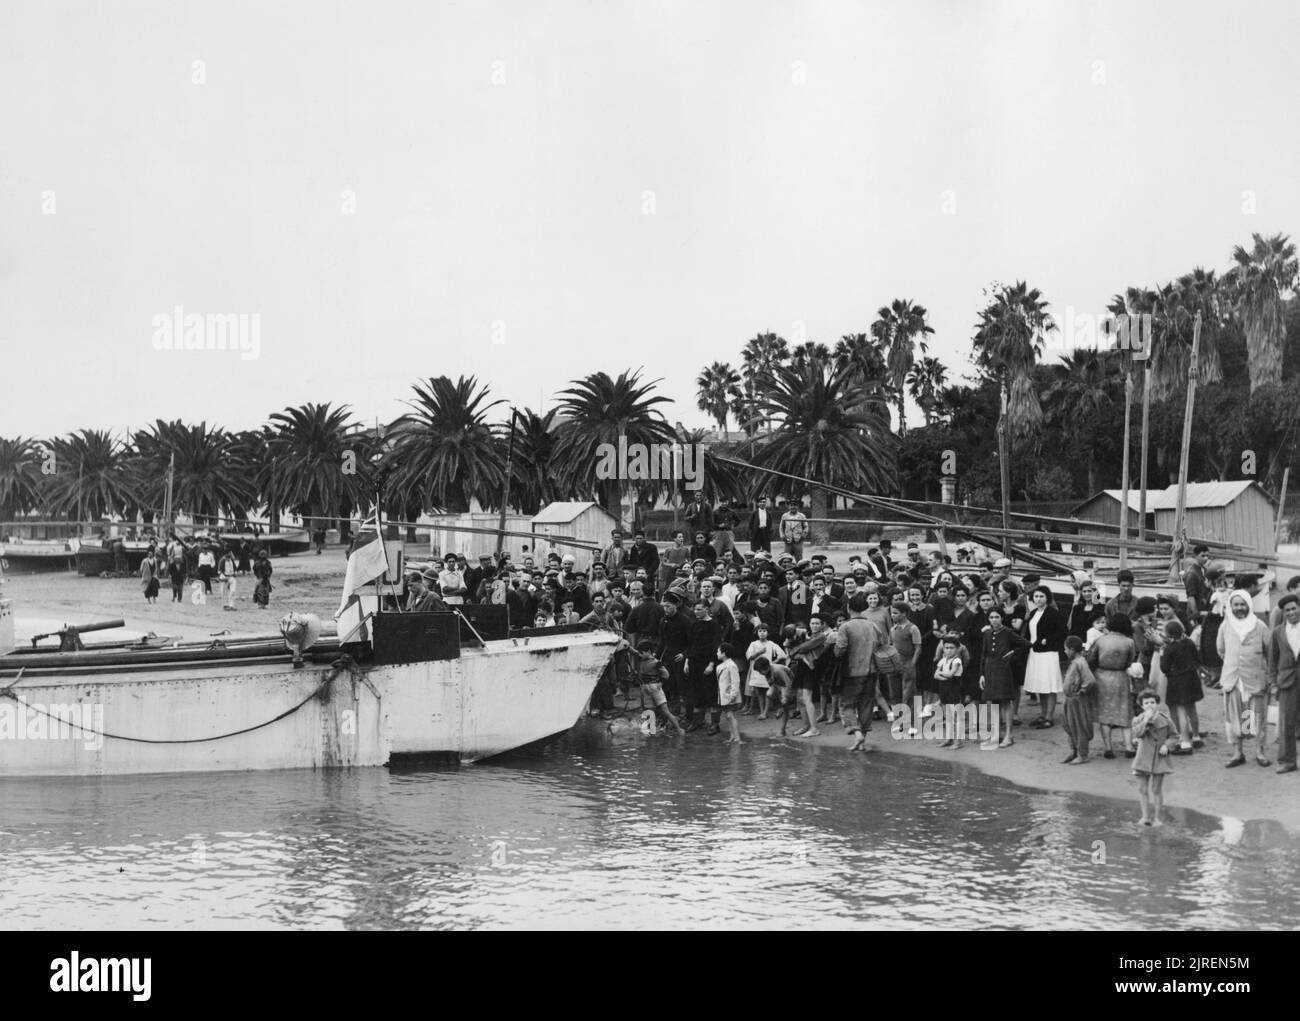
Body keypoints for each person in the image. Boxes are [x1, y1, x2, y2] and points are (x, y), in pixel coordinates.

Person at [1218, 589, 1272, 768]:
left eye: (1243, 604)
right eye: (1236, 605)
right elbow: (1221, 650)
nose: (1239, 608)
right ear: (1230, 606)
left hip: (1254, 680)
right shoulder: (1225, 626)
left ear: (1249, 605)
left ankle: (1259, 752)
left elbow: (1269, 651)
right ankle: (1237, 753)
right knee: (1234, 716)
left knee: (1256, 716)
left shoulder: (1260, 626)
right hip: (1233, 679)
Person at [834, 592, 882, 751]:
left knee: (846, 704)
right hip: (871, 670)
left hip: (851, 672)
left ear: (849, 608)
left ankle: (857, 734)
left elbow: (840, 650)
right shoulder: (873, 625)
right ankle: (863, 742)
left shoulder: (845, 626)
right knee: (866, 705)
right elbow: (881, 645)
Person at [1087, 613, 1138, 759]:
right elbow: (1130, 660)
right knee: (1124, 712)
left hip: (1101, 676)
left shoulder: (1101, 640)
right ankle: (1128, 747)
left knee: (1104, 714)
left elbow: (1091, 658)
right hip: (1120, 677)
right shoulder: (1129, 642)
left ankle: (1108, 748)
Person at [979, 608, 1027, 750]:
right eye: (992, 617)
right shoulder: (987, 633)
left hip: (1003, 669)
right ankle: (995, 735)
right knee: (992, 703)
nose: (994, 620)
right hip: (989, 669)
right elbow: (983, 654)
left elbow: (1025, 644)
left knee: (1005, 701)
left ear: (1002, 618)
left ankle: (1009, 735)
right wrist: (982, 674)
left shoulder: (1008, 632)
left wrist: (1012, 653)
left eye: (997, 617)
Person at [1131, 689, 1177, 826]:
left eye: (1152, 702)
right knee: (1142, 789)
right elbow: (1137, 734)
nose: (1150, 705)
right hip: (1143, 758)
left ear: (1157, 703)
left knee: (1156, 789)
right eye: (1146, 703)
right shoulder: (1138, 720)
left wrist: (1167, 746)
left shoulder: (1165, 719)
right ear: (1142, 706)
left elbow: (1175, 736)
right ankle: (1145, 817)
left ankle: (1157, 818)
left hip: (1159, 759)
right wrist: (1145, 720)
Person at [1266, 593, 1300, 774]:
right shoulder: (1278, 632)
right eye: (1287, 610)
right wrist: (1272, 684)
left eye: (1294, 608)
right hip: (1287, 682)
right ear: (1283, 613)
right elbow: (1272, 660)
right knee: (1287, 722)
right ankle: (1287, 761)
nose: (1291, 612)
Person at [1024, 586, 1066, 727]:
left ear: (1047, 597)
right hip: (1035, 653)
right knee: (1040, 685)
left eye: (1041, 596)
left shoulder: (1053, 613)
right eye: (1036, 596)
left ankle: (1049, 717)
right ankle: (1042, 715)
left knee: (1050, 685)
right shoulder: (1034, 613)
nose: (1038, 599)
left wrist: (1047, 640)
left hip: (1048, 653)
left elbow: (1062, 632)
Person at [1160, 618, 1202, 755]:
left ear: (1168, 634)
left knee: (1180, 710)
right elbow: (1197, 659)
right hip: (1191, 678)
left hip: (1177, 681)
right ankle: (1196, 736)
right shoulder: (1189, 643)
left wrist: (1162, 653)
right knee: (1191, 708)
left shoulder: (1169, 648)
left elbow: (1164, 668)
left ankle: (1184, 742)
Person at [634, 641, 686, 735]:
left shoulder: (656, 663)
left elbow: (666, 675)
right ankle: (652, 732)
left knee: (665, 711)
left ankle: (679, 729)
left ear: (648, 651)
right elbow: (634, 652)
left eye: (642, 652)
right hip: (646, 689)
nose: (640, 655)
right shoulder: (642, 659)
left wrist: (660, 682)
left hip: (655, 688)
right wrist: (628, 647)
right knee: (649, 712)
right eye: (640, 653)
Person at [1061, 636, 1097, 764]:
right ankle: (1073, 750)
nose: (1064, 652)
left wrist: (1081, 690)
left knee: (1079, 726)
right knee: (1070, 725)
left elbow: (1090, 680)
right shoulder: (1075, 662)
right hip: (1070, 699)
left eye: (1065, 649)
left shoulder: (1080, 662)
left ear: (1071, 649)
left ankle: (1083, 754)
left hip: (1077, 700)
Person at [744, 622, 784, 718]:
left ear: (768, 633)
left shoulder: (771, 644)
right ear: (757, 633)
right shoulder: (753, 644)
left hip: (766, 672)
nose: (762, 633)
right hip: (757, 672)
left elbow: (782, 654)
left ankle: (765, 712)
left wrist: (773, 663)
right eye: (760, 631)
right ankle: (762, 711)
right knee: (759, 692)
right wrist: (759, 652)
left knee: (767, 692)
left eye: (764, 631)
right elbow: (749, 657)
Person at [934, 636, 966, 749]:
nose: (949, 650)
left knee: (956, 716)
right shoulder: (943, 660)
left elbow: (950, 674)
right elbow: (935, 675)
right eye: (946, 648)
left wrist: (941, 674)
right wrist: (943, 675)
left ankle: (958, 741)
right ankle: (948, 738)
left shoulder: (957, 661)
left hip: (954, 690)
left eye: (952, 648)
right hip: (944, 690)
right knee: (947, 716)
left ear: (957, 649)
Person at [715, 643, 744, 744]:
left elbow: (735, 681)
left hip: (730, 695)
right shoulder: (720, 666)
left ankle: (737, 737)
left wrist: (733, 695)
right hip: (723, 695)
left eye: (718, 651)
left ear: (724, 653)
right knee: (728, 716)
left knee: (730, 716)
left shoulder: (731, 665)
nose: (716, 653)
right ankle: (732, 736)